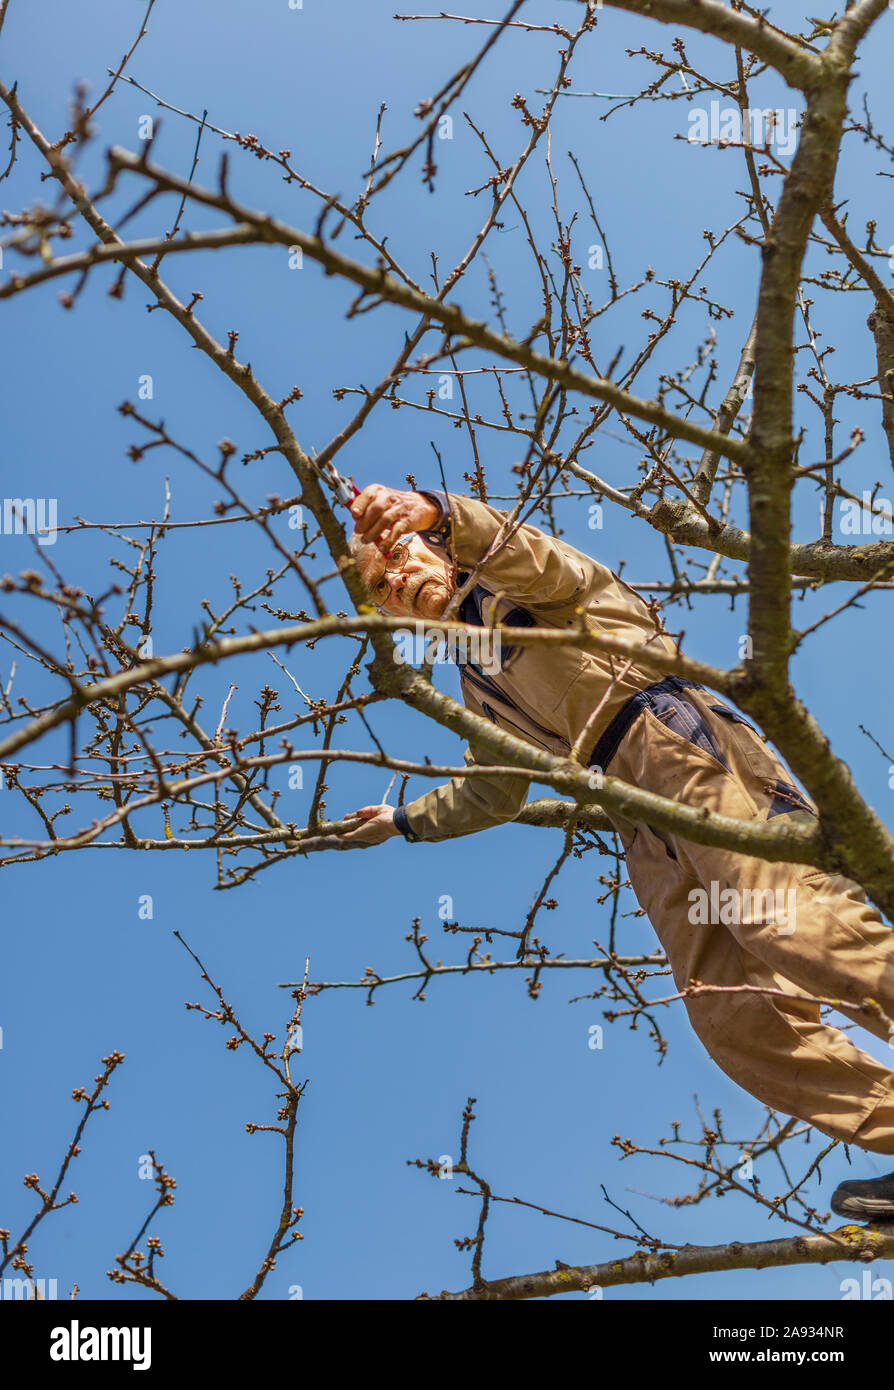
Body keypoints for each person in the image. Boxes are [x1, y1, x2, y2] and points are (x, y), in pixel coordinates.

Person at [339, 482, 894, 1221]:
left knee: (792, 926)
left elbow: (548, 565)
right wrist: (404, 821)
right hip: (638, 823)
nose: (398, 581)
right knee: (732, 1019)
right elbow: (494, 787)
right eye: (382, 587)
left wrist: (442, 513)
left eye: (400, 558)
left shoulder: (515, 582)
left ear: (437, 548)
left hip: (677, 742)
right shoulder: (477, 682)